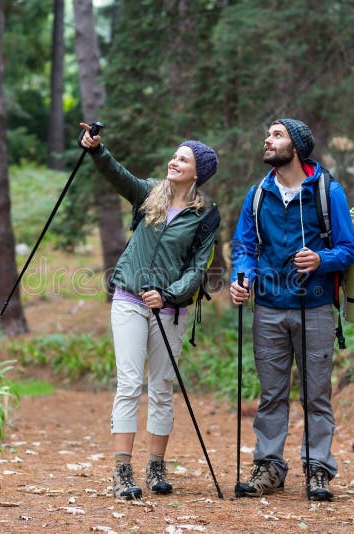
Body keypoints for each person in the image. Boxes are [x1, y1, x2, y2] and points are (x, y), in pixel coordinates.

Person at [79, 123, 220, 500]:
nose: (174, 161)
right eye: (175, 156)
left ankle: (156, 466)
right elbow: (117, 174)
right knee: (129, 384)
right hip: (128, 299)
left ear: (197, 172)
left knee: (161, 387)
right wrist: (97, 149)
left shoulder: (206, 215)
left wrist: (170, 295)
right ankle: (122, 471)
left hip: (170, 310)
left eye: (184, 159)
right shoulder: (148, 194)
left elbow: (198, 269)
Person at [230, 118, 354, 501]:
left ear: (296, 147)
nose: (267, 140)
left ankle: (317, 469)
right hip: (268, 307)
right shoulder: (258, 194)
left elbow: (349, 249)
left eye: (276, 135)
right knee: (271, 395)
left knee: (316, 395)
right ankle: (269, 467)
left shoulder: (327, 192)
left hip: (315, 307)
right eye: (267, 133)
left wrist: (321, 259)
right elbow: (244, 247)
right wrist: (243, 278)